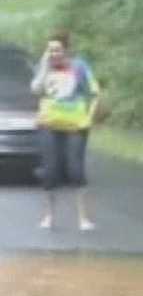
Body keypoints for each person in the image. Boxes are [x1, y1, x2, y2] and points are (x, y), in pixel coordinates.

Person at [29, 30, 102, 231]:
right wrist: (44, 64)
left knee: (75, 170)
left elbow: (94, 93)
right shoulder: (45, 68)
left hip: (75, 125)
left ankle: (84, 218)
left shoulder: (79, 67)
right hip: (49, 124)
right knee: (50, 171)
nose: (54, 54)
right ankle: (48, 216)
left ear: (66, 50)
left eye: (58, 50)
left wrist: (89, 118)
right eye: (50, 50)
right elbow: (36, 89)